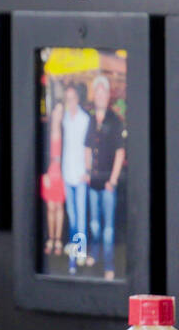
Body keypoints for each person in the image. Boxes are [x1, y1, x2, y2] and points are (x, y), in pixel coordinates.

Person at [85, 75, 126, 281]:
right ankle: (94, 254)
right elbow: (87, 147)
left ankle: (109, 265)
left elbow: (120, 152)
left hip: (109, 182)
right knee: (94, 224)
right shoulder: (91, 119)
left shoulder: (115, 120)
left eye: (103, 92)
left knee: (108, 228)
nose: (100, 96)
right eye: (97, 92)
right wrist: (86, 170)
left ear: (108, 95)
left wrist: (114, 179)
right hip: (93, 181)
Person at [58, 83, 91, 273]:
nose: (69, 102)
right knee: (71, 216)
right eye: (67, 99)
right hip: (66, 173)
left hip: (79, 174)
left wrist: (87, 170)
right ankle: (74, 252)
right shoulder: (65, 119)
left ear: (77, 99)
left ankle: (79, 255)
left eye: (72, 98)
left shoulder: (84, 119)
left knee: (80, 218)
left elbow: (87, 148)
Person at [41, 101, 66, 257]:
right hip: (50, 171)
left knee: (59, 207)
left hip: (62, 170)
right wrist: (44, 174)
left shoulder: (66, 129)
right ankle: (50, 238)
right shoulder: (45, 128)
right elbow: (41, 150)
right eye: (57, 111)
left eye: (61, 112)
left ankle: (58, 239)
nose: (59, 114)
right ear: (52, 113)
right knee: (51, 207)